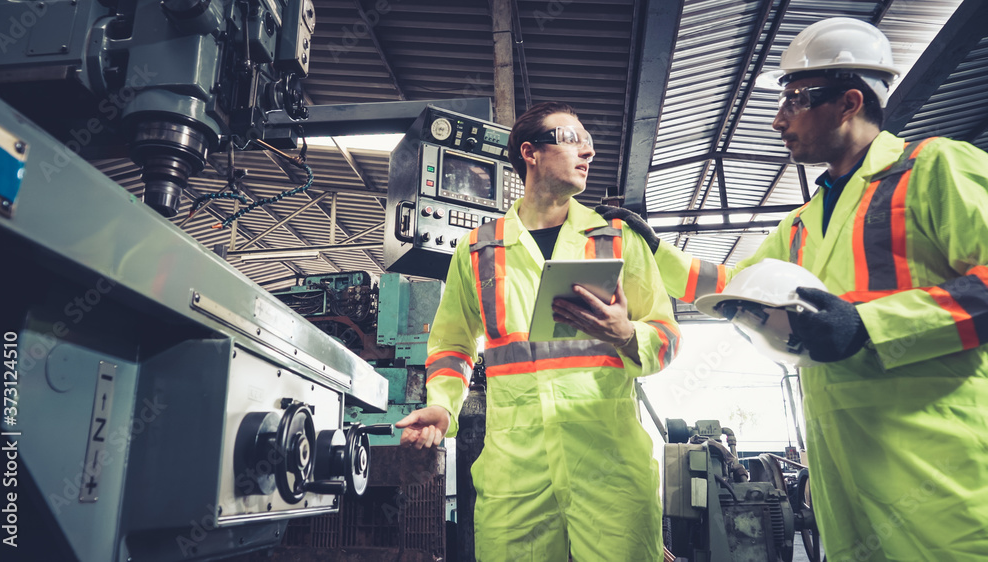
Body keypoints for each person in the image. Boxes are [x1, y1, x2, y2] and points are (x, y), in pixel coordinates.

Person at [631, 17, 988, 562]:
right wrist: (655, 250)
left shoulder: (934, 167)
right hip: (840, 464)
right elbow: (732, 285)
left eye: (796, 100)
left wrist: (870, 326)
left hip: (938, 458)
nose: (778, 120)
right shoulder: (802, 222)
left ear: (849, 102)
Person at [395, 101, 680, 561]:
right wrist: (441, 407)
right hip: (515, 471)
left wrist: (628, 333)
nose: (587, 152)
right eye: (572, 139)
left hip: (610, 465)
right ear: (530, 152)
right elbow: (451, 344)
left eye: (590, 144)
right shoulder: (478, 249)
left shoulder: (615, 238)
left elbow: (667, 335)